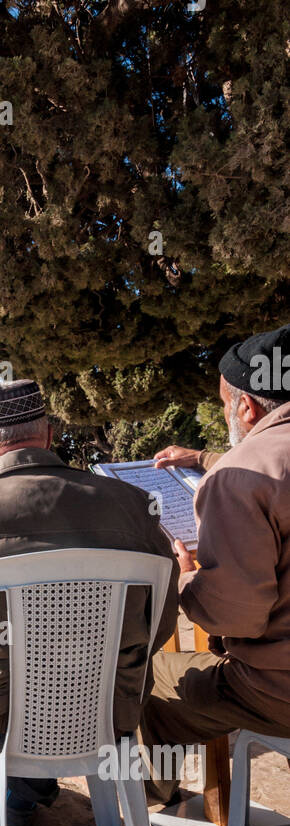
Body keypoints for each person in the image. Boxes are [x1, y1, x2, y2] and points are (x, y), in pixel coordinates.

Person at [0, 378, 179, 826]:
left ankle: (19, 790)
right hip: (108, 709)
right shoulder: (135, 508)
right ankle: (30, 791)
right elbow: (159, 624)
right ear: (49, 436)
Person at [140, 323, 290, 801]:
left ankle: (150, 798)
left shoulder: (236, 480)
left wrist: (187, 581)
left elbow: (235, 617)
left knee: (147, 685)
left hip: (277, 689)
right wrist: (205, 457)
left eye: (226, 402)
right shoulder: (248, 467)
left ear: (244, 406)